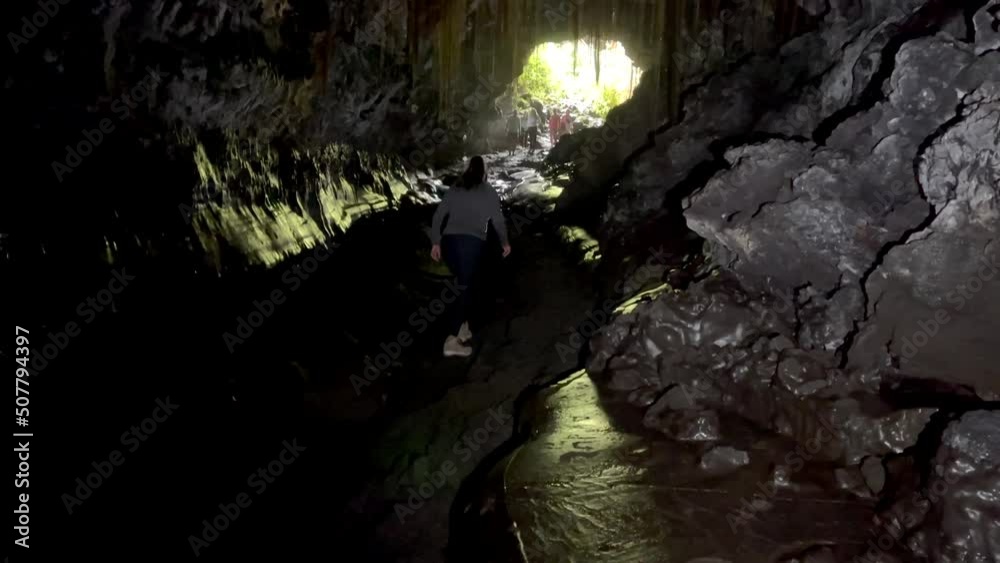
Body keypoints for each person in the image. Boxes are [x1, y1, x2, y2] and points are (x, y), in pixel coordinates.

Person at [430, 156, 512, 357]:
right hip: (470, 243)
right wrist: (504, 242)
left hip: (449, 243)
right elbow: (498, 221)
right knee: (465, 286)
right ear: (484, 172)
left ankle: (462, 326)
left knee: (465, 284)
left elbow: (438, 215)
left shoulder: (456, 187)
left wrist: (435, 241)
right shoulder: (488, 190)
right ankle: (451, 340)